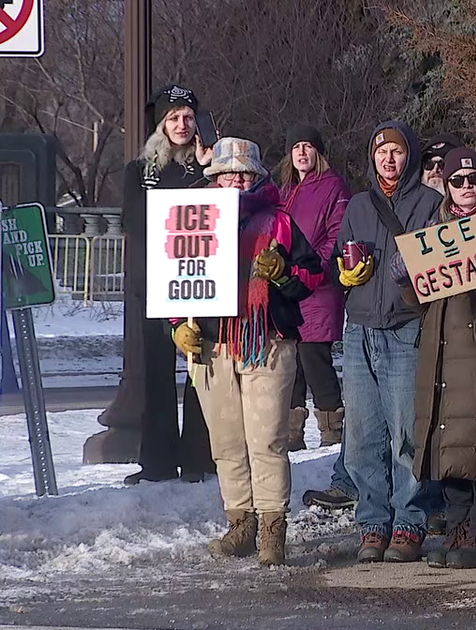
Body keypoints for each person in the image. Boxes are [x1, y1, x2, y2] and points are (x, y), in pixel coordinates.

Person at [174, 137, 323, 566]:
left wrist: (283, 273)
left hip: (267, 342)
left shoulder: (280, 221)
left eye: (244, 173)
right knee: (225, 444)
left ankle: (273, 531)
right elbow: (171, 280)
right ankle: (240, 525)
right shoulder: (190, 221)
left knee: (267, 441)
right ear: (214, 178)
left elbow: (313, 278)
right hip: (211, 343)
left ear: (256, 178)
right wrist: (176, 327)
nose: (237, 180)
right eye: (228, 173)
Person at [392, 147, 476, 570]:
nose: (467, 188)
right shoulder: (437, 226)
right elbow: (420, 299)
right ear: (446, 186)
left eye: (474, 180)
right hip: (441, 347)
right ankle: (459, 527)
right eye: (457, 182)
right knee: (451, 440)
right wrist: (406, 278)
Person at [337, 121, 444, 563]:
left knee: (406, 433)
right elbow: (338, 254)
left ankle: (409, 522)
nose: (389, 158)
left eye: (397, 152)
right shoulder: (358, 205)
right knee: (362, 436)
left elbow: (442, 261)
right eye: (382, 152)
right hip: (359, 328)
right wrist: (344, 271)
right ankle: (373, 524)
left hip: (405, 327)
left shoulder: (430, 203)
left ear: (409, 157)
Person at [113, 84, 217, 486]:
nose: (181, 124)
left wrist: (210, 169)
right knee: (157, 371)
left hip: (201, 281)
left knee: (198, 369)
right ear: (160, 124)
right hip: (155, 282)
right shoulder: (139, 171)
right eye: (173, 117)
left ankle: (197, 457)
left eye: (188, 117)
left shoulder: (207, 168)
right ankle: (156, 461)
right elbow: (134, 225)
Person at [278, 125, 352, 452]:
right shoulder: (286, 190)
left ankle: (332, 432)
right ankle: (292, 434)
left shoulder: (333, 186)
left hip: (317, 289)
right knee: (291, 365)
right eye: (296, 147)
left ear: (319, 152)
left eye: (308, 147)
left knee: (315, 360)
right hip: (287, 290)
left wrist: (312, 269)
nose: (302, 153)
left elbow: (337, 234)